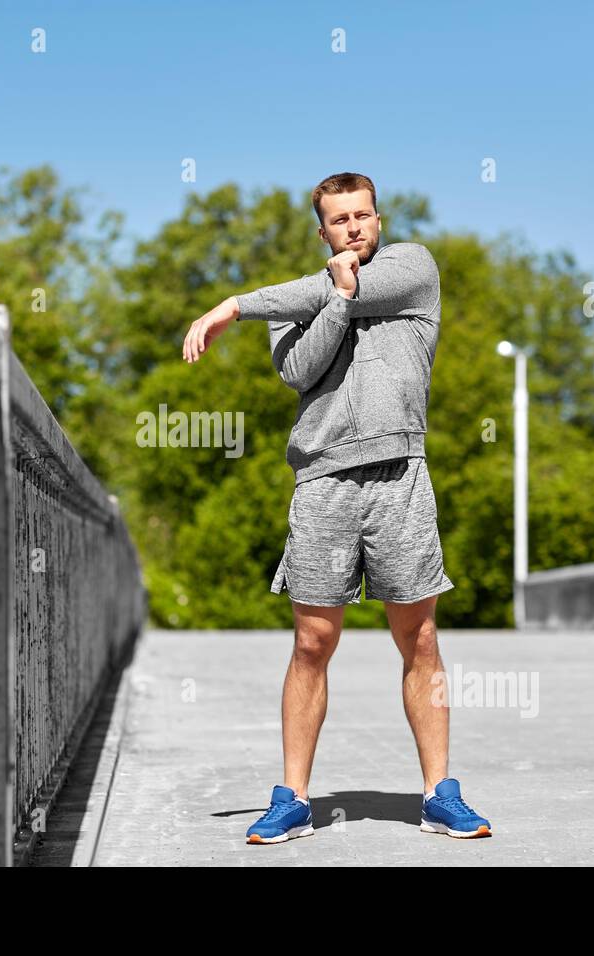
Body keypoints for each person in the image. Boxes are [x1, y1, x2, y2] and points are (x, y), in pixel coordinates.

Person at [181, 171, 492, 843]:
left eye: (363, 216)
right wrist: (338, 300)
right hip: (323, 483)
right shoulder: (298, 304)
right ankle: (292, 796)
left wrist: (233, 305)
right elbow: (301, 370)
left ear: (378, 219)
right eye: (339, 220)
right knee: (312, 641)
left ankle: (440, 792)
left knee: (422, 638)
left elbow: (349, 284)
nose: (353, 227)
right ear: (321, 231)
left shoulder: (414, 268)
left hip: (400, 474)